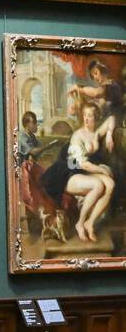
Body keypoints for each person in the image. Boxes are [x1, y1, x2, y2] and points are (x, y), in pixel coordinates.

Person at [40, 104, 116, 243]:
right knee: (98, 185)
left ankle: (90, 223)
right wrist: (102, 170)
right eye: (85, 115)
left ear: (96, 118)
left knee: (110, 184)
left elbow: (111, 118)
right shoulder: (77, 135)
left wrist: (110, 133)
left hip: (83, 171)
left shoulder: (96, 133)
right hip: (68, 172)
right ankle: (80, 223)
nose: (86, 119)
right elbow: (83, 164)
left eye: (90, 116)